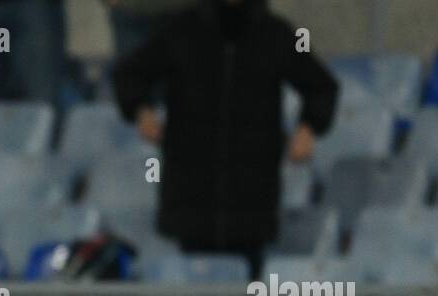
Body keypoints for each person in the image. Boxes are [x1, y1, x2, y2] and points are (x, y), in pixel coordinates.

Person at [111, 0, 337, 278]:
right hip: (190, 198)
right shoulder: (181, 30)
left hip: (252, 200)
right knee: (194, 293)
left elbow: (321, 86)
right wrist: (141, 110)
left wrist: (308, 127)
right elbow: (129, 73)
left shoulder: (278, 34)